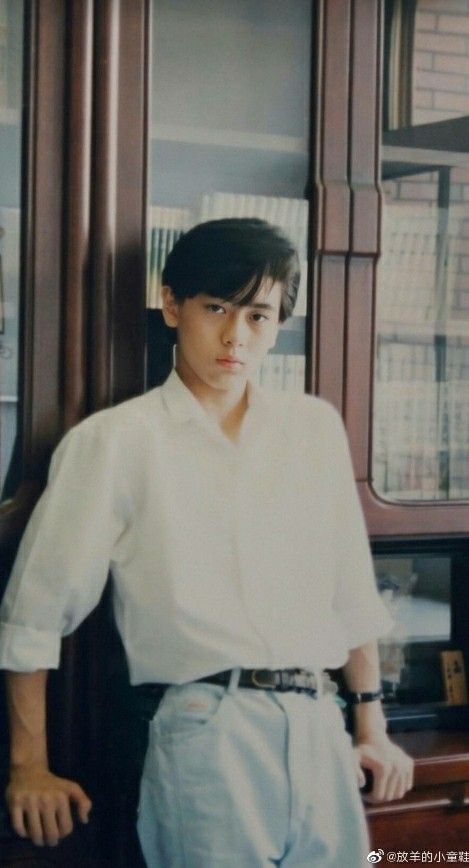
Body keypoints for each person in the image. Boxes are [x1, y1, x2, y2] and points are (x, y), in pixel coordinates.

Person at [0, 218, 413, 866]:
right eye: (215, 308)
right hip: (204, 724)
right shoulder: (116, 441)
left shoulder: (311, 428)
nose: (234, 337)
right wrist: (30, 767)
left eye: (257, 315)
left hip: (318, 726)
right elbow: (33, 614)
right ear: (172, 305)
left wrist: (372, 727)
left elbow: (348, 591)